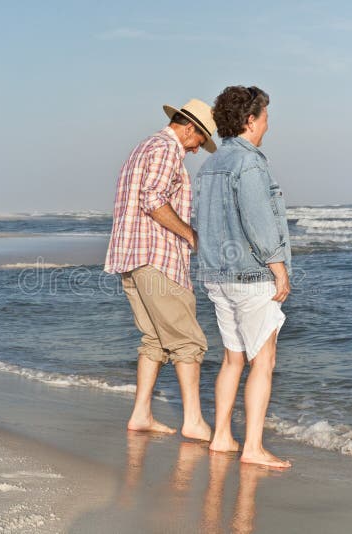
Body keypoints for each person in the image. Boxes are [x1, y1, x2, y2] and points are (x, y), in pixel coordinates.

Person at [104, 98, 217, 440]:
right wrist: (191, 234)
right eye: (200, 140)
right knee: (187, 341)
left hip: (130, 256)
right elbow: (153, 200)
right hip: (157, 257)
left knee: (154, 338)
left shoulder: (142, 148)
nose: (197, 150)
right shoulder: (168, 150)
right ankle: (194, 421)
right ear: (189, 128)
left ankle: (141, 414)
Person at [194, 86, 292, 468]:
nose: (269, 124)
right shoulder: (249, 164)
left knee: (233, 358)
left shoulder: (209, 165)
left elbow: (201, 221)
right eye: (265, 116)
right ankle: (252, 446)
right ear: (250, 120)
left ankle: (221, 437)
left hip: (217, 275)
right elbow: (259, 222)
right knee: (263, 360)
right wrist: (279, 270)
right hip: (251, 276)